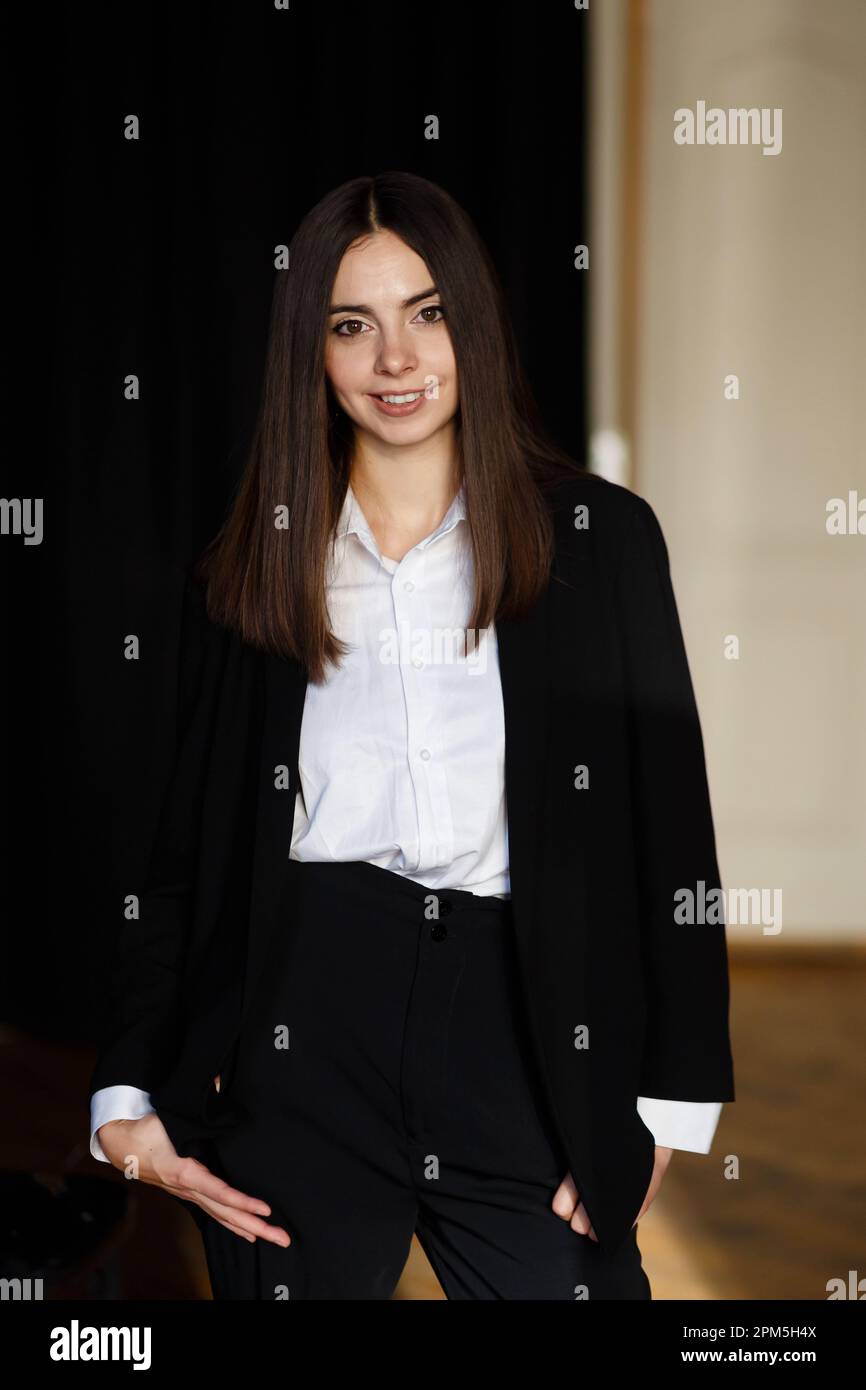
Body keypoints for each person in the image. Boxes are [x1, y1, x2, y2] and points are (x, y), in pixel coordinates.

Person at [88, 171, 734, 1300]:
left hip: (520, 1031)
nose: (395, 360)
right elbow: (185, 861)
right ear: (313, 352)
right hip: (301, 1031)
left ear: (471, 323)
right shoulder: (246, 571)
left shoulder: (603, 543)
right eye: (352, 326)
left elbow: (670, 840)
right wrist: (127, 1094)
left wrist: (665, 1108)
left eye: (425, 313)